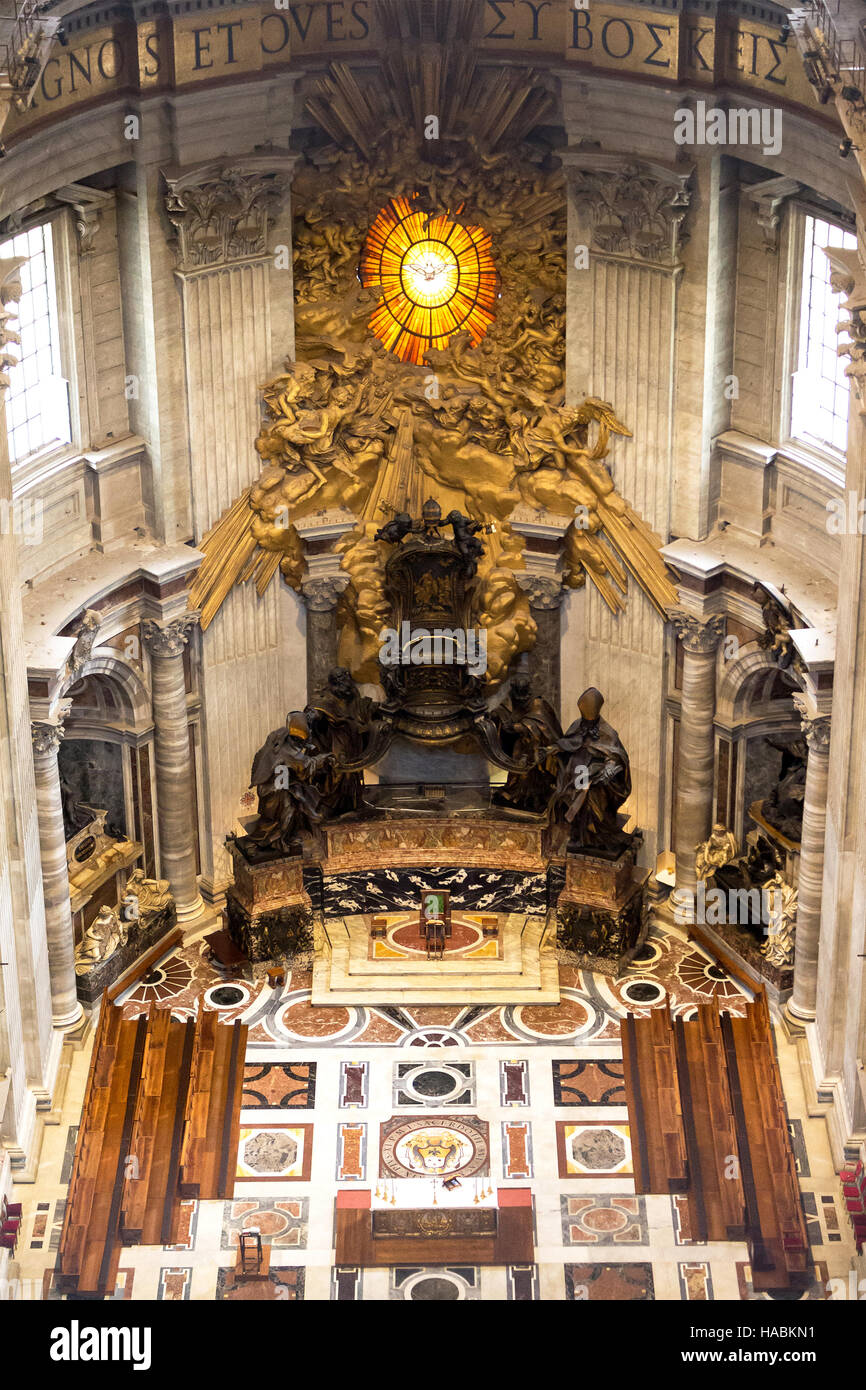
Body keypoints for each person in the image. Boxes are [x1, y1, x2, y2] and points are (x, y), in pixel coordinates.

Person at [549, 687, 632, 852]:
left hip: (596, 775)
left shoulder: (608, 733)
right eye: (584, 722)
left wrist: (608, 769)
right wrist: (555, 748)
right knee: (570, 792)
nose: (585, 725)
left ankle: (595, 835)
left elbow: (617, 757)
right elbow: (568, 741)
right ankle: (577, 833)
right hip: (575, 770)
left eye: (589, 723)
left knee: (590, 796)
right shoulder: (577, 725)